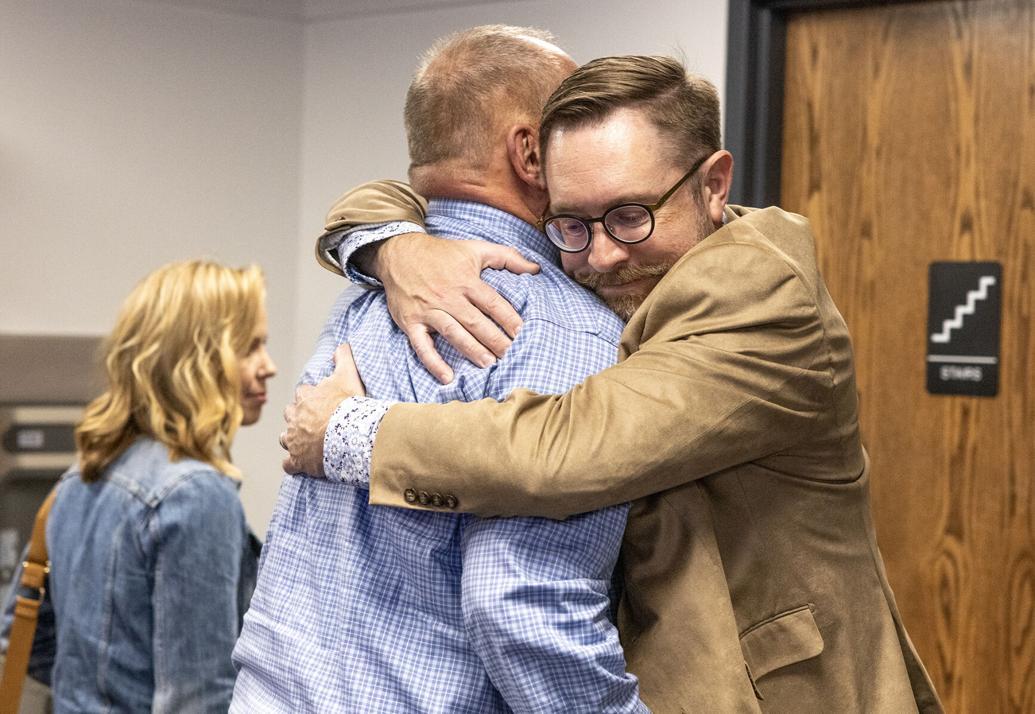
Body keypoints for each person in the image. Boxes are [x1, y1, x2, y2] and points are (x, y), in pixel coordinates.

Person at [281, 56, 943, 712]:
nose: (600, 255)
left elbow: (568, 448)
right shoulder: (614, 263)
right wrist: (398, 246)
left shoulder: (764, 301)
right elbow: (405, 186)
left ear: (713, 184)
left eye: (629, 216)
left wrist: (347, 433)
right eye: (570, 224)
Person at [230, 26, 645, 712]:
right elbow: (521, 606)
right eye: (574, 124)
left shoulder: (363, 295)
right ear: (530, 152)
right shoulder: (567, 332)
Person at [0, 259, 276, 713]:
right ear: (199, 357)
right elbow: (196, 699)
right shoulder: (198, 494)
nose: (269, 366)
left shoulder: (81, 476)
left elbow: (25, 637)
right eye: (251, 347)